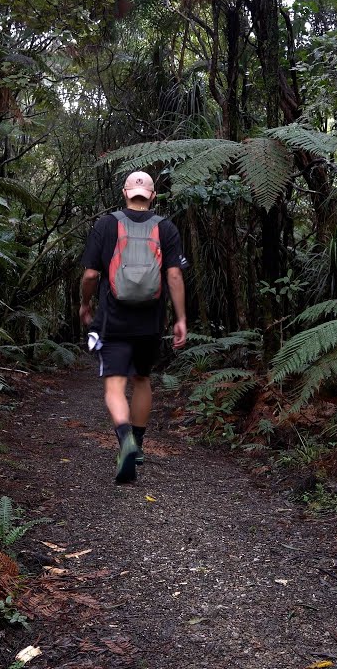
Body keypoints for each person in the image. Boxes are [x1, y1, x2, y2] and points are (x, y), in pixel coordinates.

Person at [79, 171, 188, 483]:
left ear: (124, 193)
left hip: (112, 320)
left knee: (114, 384)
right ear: (152, 196)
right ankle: (137, 445)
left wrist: (85, 305)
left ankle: (124, 438)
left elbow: (90, 276)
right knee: (142, 379)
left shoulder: (105, 224)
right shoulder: (165, 228)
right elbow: (175, 276)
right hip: (150, 322)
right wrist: (180, 319)